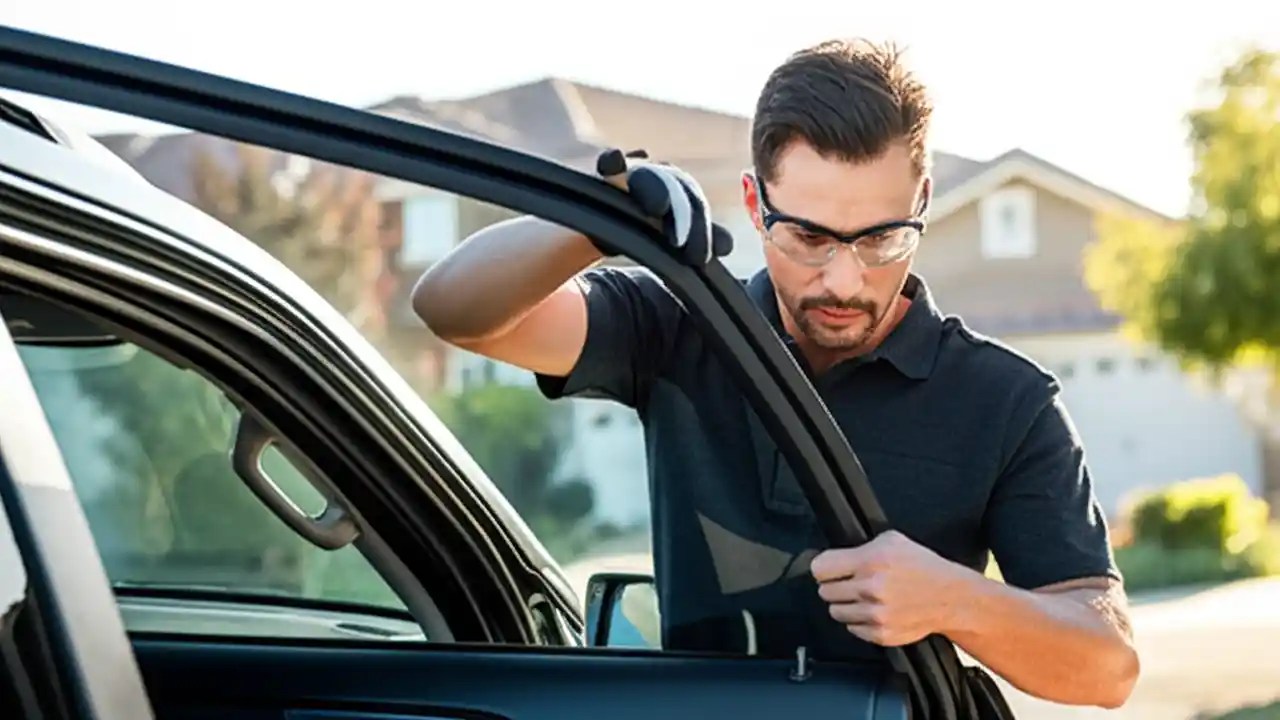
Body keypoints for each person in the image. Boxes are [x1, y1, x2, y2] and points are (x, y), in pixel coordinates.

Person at [413, 38, 1138, 708]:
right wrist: (595, 221)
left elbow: (1109, 667)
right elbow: (455, 310)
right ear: (756, 203)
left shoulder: (1008, 401)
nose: (844, 281)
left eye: (882, 237)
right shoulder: (677, 327)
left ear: (921, 201)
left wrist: (952, 600)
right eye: (811, 237)